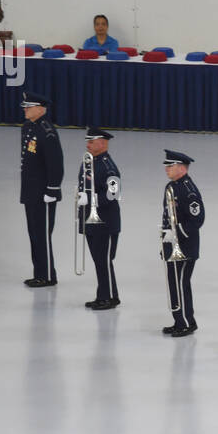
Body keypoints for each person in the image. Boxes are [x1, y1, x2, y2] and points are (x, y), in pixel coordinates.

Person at [19, 92, 63, 287]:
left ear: (41, 109)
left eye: (29, 106)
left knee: (42, 234)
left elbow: (55, 164)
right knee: (34, 233)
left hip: (44, 193)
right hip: (30, 190)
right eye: (25, 106)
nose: (25, 109)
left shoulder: (47, 132)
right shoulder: (29, 127)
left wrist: (52, 190)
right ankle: (39, 273)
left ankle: (46, 276)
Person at [161, 150, 204, 338]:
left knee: (181, 283)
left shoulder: (189, 190)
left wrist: (176, 233)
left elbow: (197, 220)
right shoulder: (171, 187)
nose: (166, 169)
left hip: (185, 246)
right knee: (174, 284)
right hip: (172, 244)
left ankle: (187, 322)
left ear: (181, 168)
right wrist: (165, 241)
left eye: (170, 166)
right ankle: (179, 320)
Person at [78, 128, 122, 310]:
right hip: (90, 221)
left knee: (104, 261)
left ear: (103, 143)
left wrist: (91, 199)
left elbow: (114, 194)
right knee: (99, 261)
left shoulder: (108, 167)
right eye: (87, 141)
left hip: (106, 223)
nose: (87, 145)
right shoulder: (89, 161)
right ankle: (103, 295)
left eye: (91, 141)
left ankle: (110, 297)